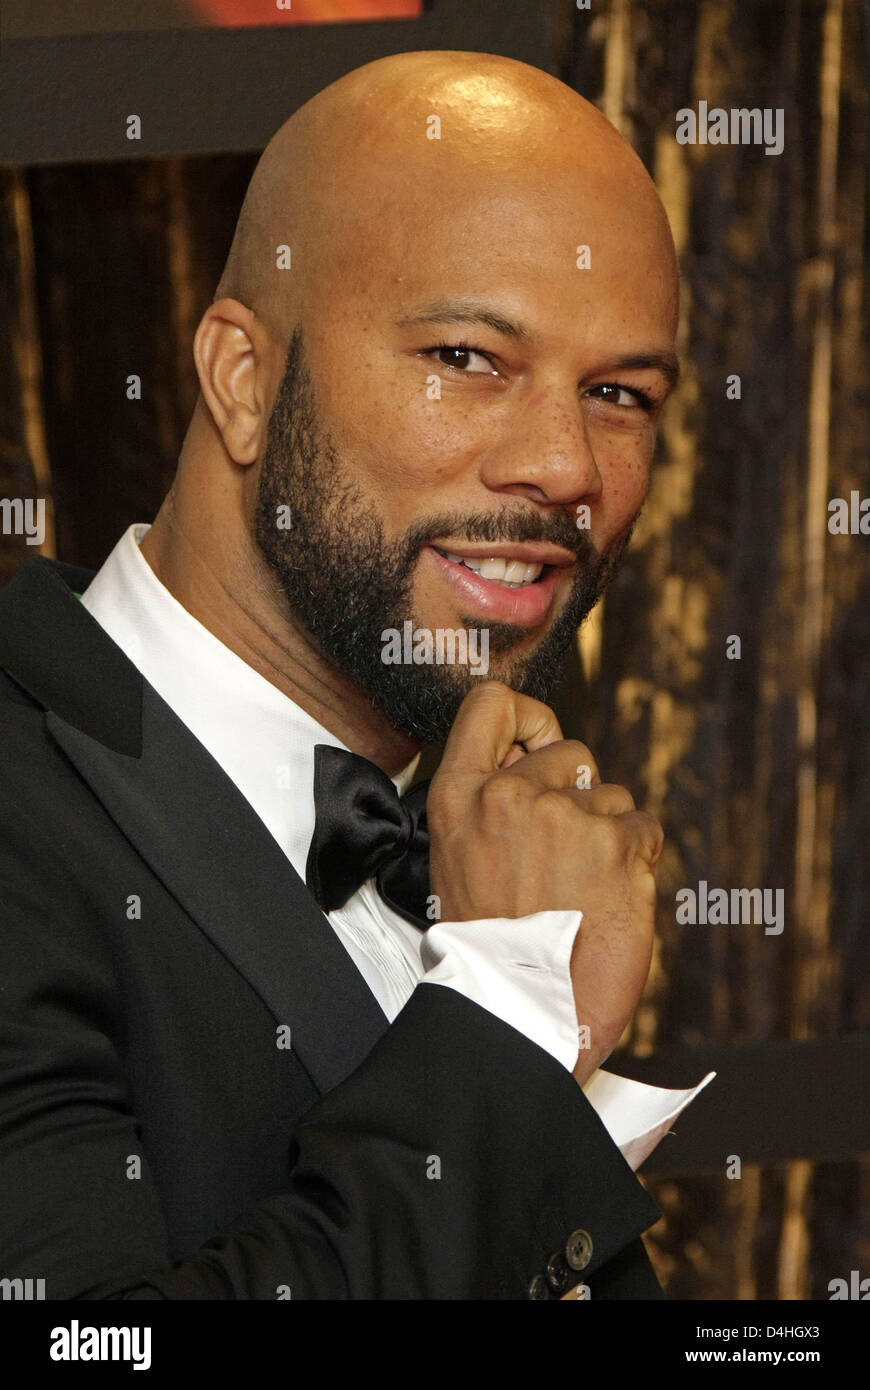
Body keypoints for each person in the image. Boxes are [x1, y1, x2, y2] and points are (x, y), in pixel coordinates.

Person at [0, 50, 710, 1301]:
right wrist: (508, 1008)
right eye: (467, 357)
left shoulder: (478, 842)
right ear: (244, 380)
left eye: (617, 392)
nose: (566, 467)